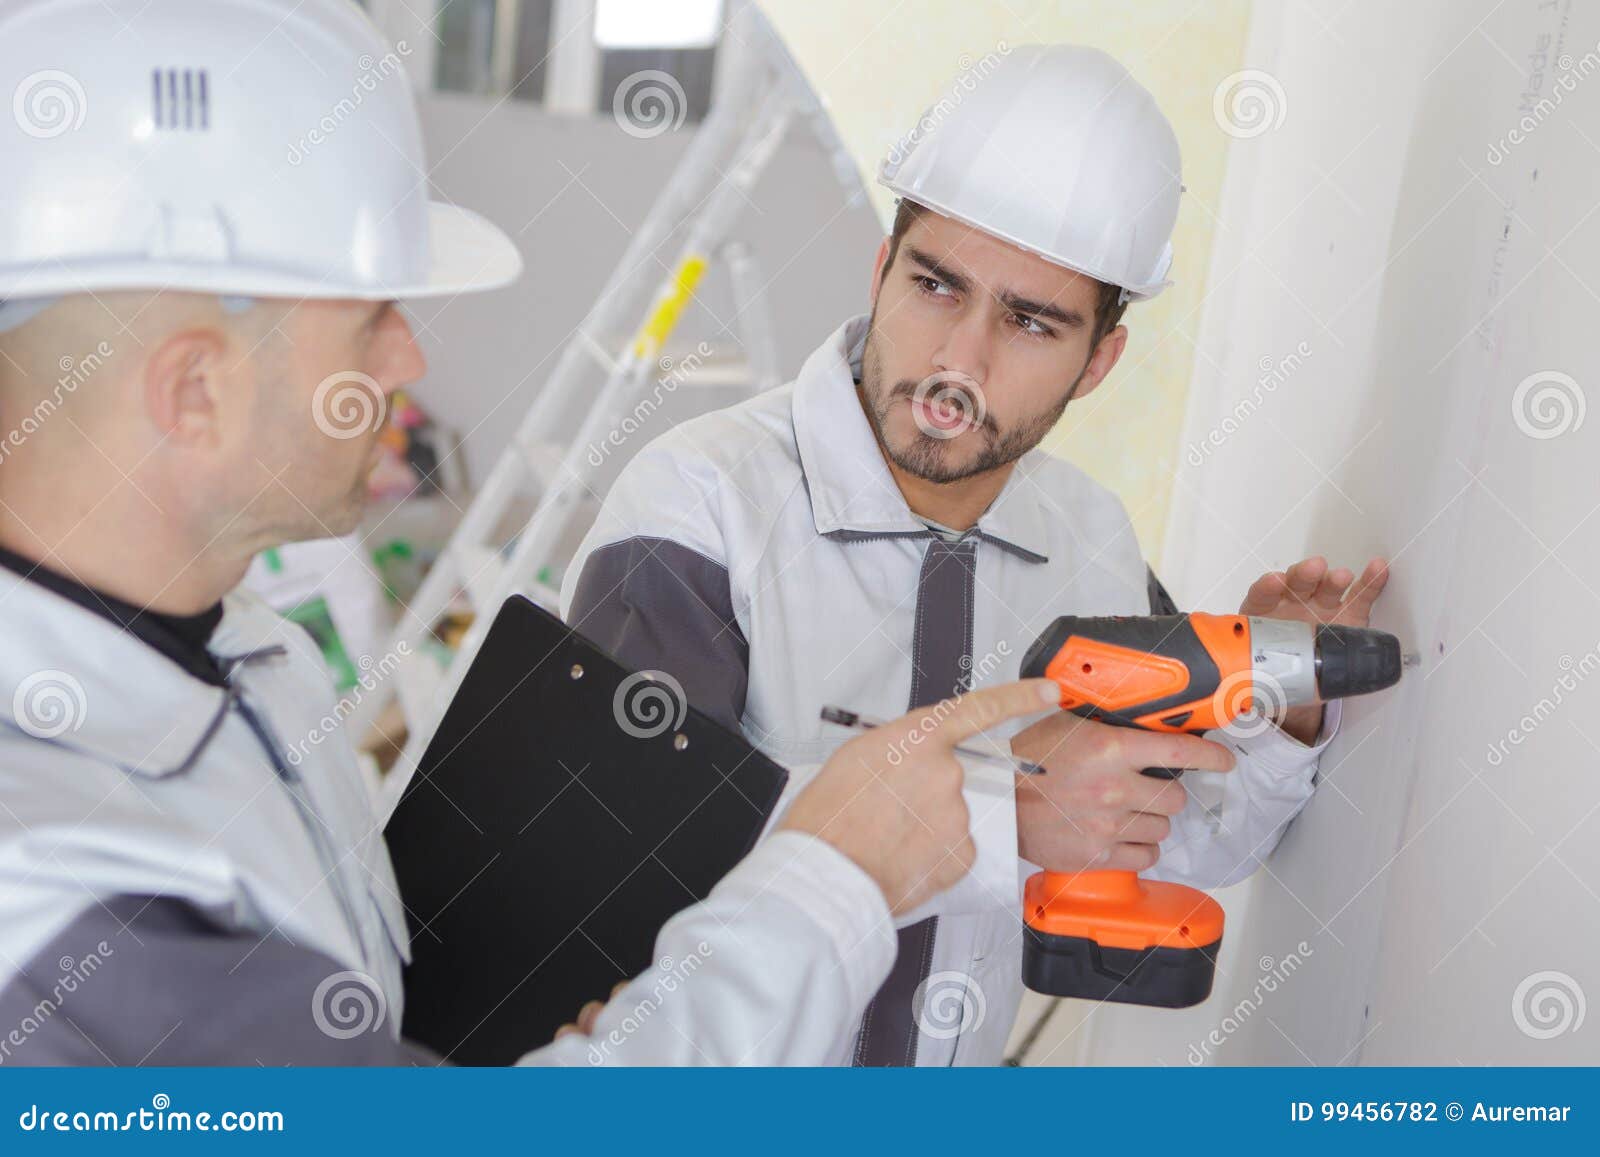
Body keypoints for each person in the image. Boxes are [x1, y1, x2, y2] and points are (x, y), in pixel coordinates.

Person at [0, 0, 1055, 1066]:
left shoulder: (243, 652)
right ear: (194, 391)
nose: (410, 359)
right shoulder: (41, 887)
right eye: (372, 317)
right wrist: (838, 879)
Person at [562, 44, 1392, 1065]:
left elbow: (1178, 836)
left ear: (1097, 363)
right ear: (882, 268)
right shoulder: (702, 500)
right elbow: (624, 831)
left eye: (1031, 322)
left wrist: (1277, 706)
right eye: (937, 285)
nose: (959, 359)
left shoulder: (1089, 539)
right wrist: (1019, 811)